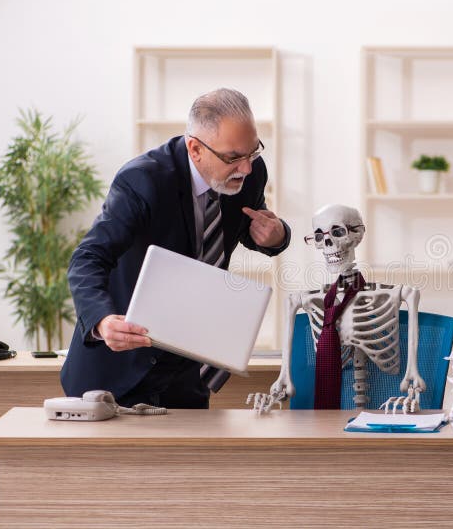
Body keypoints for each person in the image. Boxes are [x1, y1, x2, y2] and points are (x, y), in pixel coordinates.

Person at [61, 88, 290, 409]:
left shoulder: (250, 176)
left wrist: (277, 235)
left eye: (253, 152)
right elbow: (87, 259)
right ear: (195, 148)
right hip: (118, 371)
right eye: (234, 157)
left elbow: (250, 227)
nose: (247, 168)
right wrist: (102, 321)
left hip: (188, 368)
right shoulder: (142, 181)